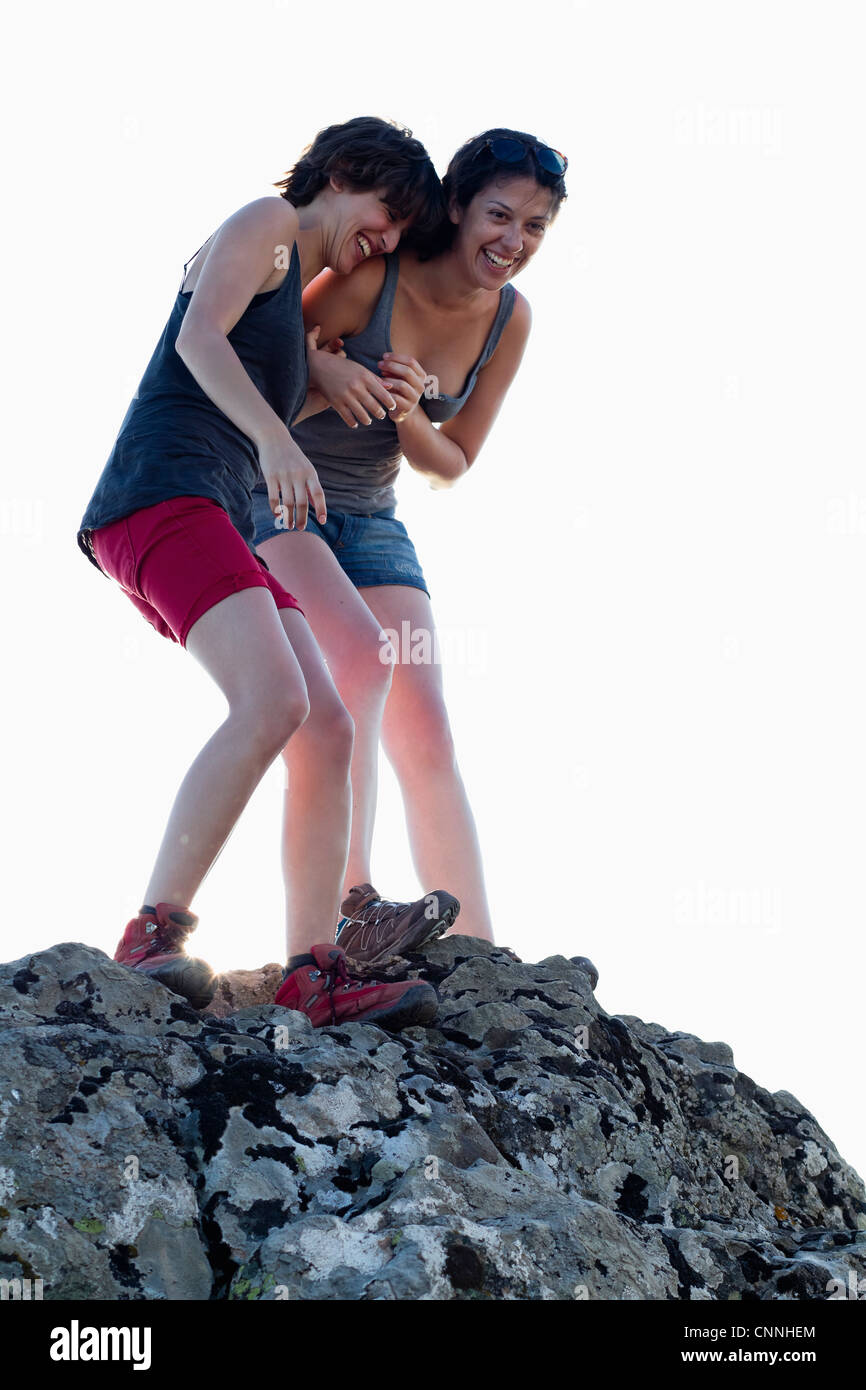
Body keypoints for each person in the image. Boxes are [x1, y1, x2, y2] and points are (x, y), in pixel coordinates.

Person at [76, 117, 446, 1029]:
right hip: (162, 495)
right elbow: (200, 340)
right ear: (341, 174)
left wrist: (359, 391)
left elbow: (267, 380)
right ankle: (153, 930)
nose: (386, 240)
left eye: (399, 233)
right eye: (385, 212)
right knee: (275, 701)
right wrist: (279, 438)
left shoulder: (288, 305)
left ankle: (312, 971)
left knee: (324, 723)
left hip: (210, 516)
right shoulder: (267, 223)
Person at [249, 130, 567, 963]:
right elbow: (270, 357)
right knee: (360, 667)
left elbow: (454, 461)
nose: (513, 242)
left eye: (535, 228)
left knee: (425, 721)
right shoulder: (372, 276)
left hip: (374, 519)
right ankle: (350, 908)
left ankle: (476, 955)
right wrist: (333, 375)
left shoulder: (510, 319)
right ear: (458, 205)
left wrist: (402, 412)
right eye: (500, 214)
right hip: (279, 497)